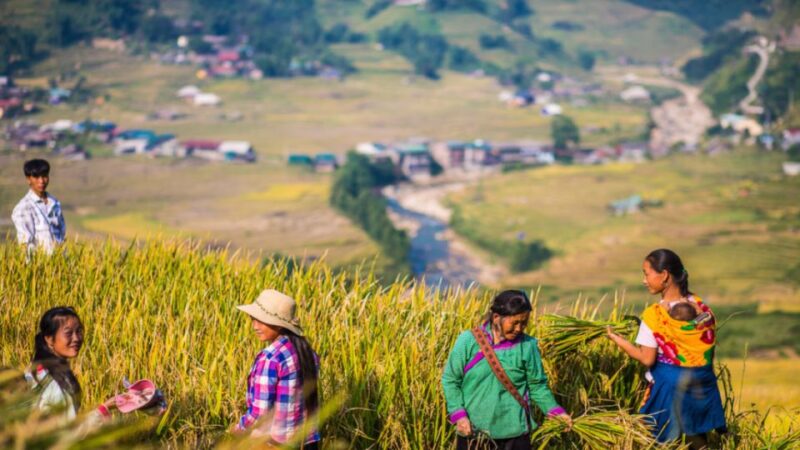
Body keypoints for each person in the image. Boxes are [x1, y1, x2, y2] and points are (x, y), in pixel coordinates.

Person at [607, 249, 726, 449]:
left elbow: (647, 359)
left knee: (654, 442)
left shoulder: (654, 315)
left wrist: (617, 339)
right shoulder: (702, 308)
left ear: (664, 275)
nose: (644, 280)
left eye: (646, 273)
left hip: (668, 391)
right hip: (701, 388)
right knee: (697, 443)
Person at [442, 290, 572, 450]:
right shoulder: (468, 341)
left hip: (516, 435)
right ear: (496, 317)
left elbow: (537, 386)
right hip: (475, 433)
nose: (519, 328)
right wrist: (459, 415)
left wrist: (555, 411)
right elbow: (450, 380)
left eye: (524, 323)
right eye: (515, 322)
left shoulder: (528, 345)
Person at [234, 289, 321, 449]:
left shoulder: (270, 358)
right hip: (308, 441)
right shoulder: (308, 353)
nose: (255, 326)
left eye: (262, 321)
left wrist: (236, 432)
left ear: (280, 325)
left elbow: (259, 413)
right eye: (253, 319)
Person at [25, 307, 117, 425]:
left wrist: (106, 407)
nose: (76, 338)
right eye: (68, 333)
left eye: (79, 331)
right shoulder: (53, 381)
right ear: (49, 339)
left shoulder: (38, 371)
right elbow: (67, 433)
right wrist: (102, 412)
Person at [11, 159, 66, 255]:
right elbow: (25, 244)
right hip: (39, 264)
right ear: (28, 179)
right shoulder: (23, 208)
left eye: (44, 176)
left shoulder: (55, 203)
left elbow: (61, 234)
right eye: (36, 177)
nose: (41, 181)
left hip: (60, 263)